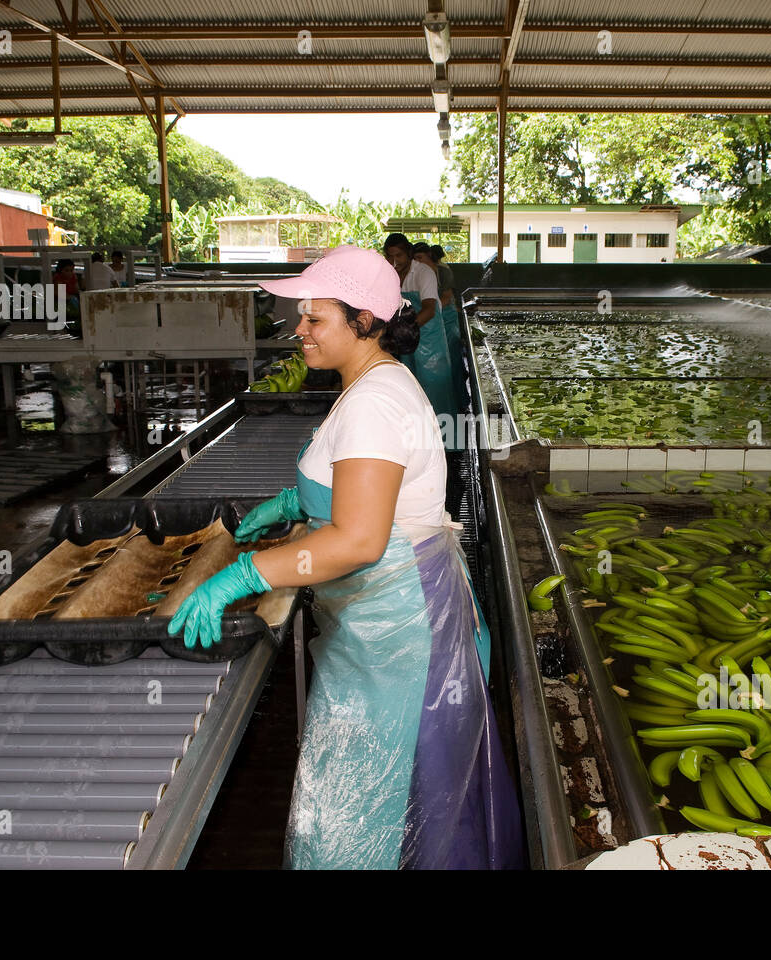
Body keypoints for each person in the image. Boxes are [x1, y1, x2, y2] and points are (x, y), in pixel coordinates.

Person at [166, 245, 523, 870]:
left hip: (397, 636)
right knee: (392, 790)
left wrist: (241, 575)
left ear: (363, 320)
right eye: (299, 316)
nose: (299, 331)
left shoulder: (373, 404)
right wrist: (292, 502)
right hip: (393, 620)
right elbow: (366, 486)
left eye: (315, 319)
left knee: (370, 806)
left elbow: (359, 540)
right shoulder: (373, 381)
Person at [383, 233, 457, 426]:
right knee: (410, 391)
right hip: (406, 340)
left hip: (429, 340)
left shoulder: (424, 272)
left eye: (398, 256)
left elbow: (430, 309)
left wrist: (403, 331)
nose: (394, 261)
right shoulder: (389, 275)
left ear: (408, 253)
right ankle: (415, 442)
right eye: (390, 257)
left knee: (435, 390)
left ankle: (446, 446)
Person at [411, 242, 465, 408]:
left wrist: (434, 310)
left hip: (447, 320)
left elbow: (447, 297)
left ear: (430, 256)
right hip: (430, 324)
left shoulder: (443, 271)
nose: (418, 262)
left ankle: (459, 400)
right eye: (415, 259)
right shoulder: (416, 274)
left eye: (420, 258)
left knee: (453, 362)